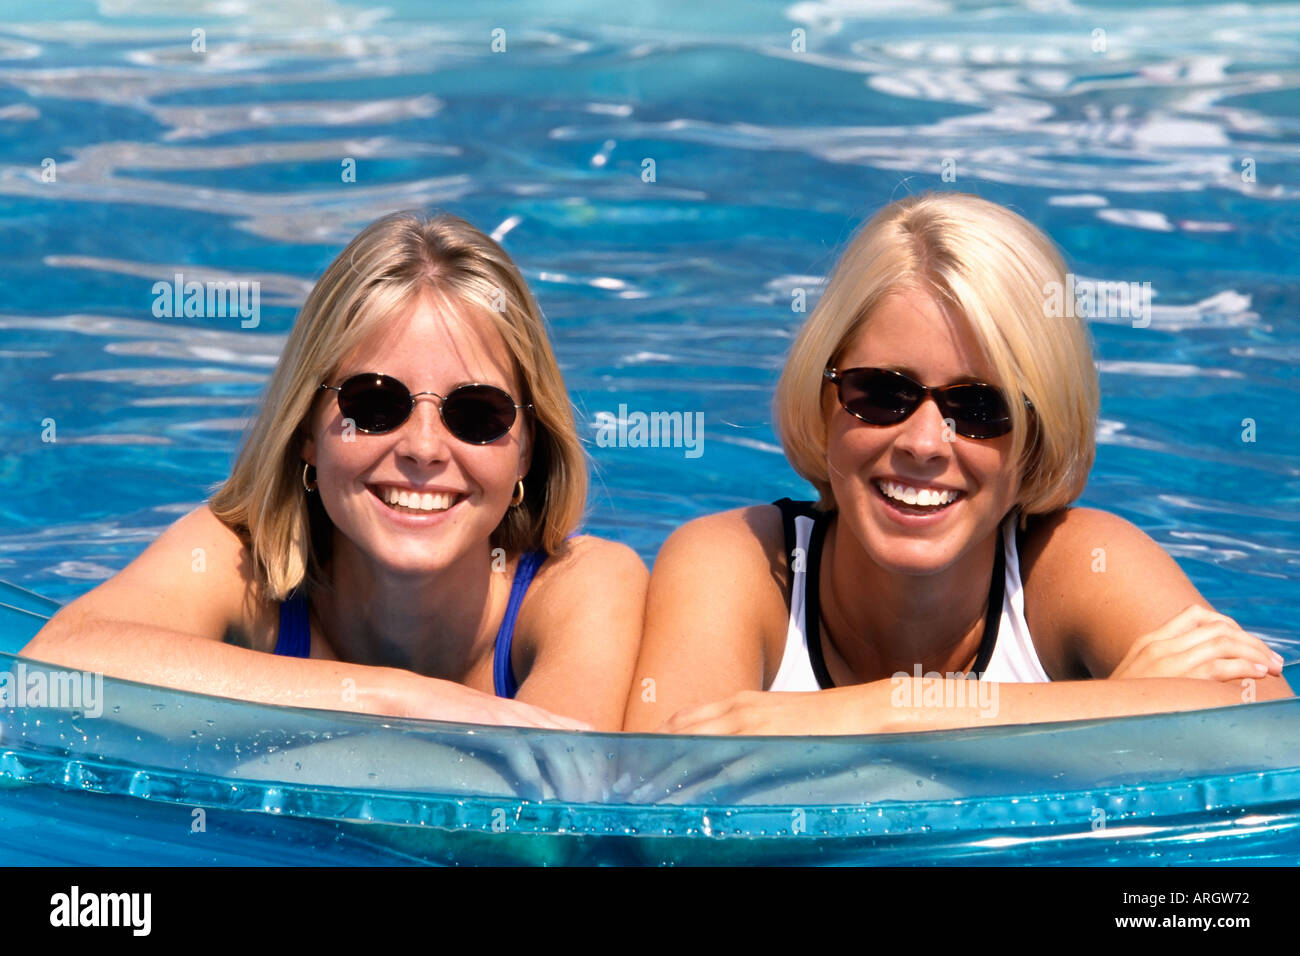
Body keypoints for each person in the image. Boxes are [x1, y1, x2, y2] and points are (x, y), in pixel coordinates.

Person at [624, 191, 1290, 735]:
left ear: (1035, 435)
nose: (924, 442)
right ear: (823, 398)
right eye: (882, 393)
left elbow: (1267, 726)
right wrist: (1125, 709)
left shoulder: (1078, 564)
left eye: (979, 407)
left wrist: (885, 710)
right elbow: (657, 796)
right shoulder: (741, 562)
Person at [25, 212, 646, 732]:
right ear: (305, 433)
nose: (425, 448)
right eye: (374, 404)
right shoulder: (239, 561)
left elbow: (552, 800)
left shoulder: (581, 585)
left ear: (528, 451)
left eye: (477, 413)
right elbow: (53, 667)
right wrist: (393, 698)